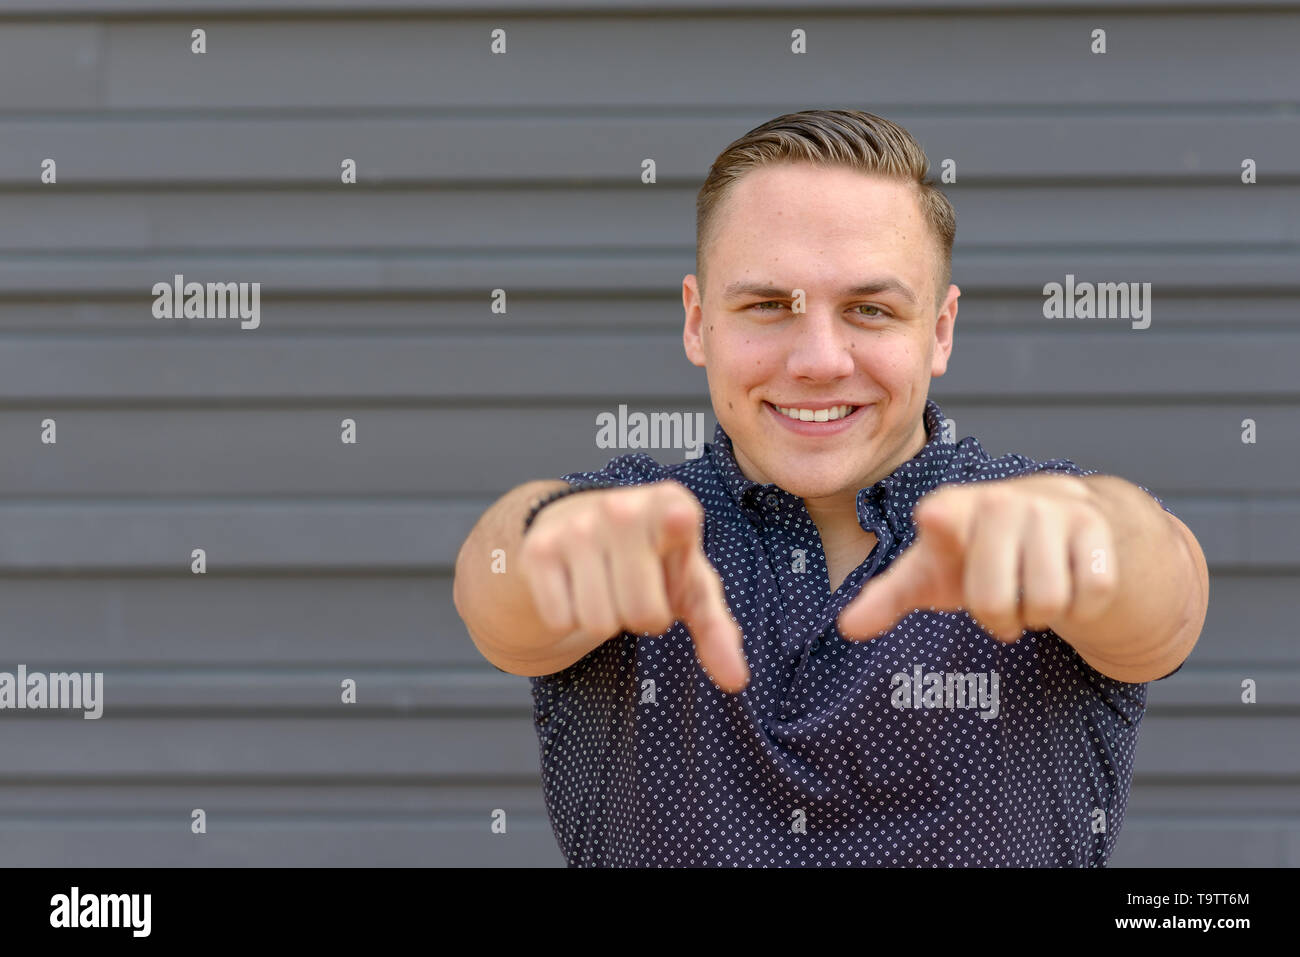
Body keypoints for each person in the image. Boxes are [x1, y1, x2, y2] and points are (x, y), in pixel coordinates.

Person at [452, 109, 1208, 867]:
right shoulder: (637, 524)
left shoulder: (1032, 524)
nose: (819, 359)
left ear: (940, 331)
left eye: (870, 310)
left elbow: (1165, 596)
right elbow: (500, 587)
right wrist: (542, 548)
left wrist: (1100, 542)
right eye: (769, 306)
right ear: (696, 321)